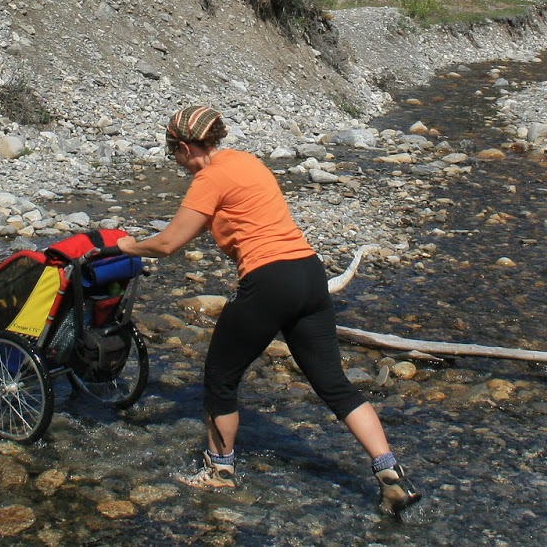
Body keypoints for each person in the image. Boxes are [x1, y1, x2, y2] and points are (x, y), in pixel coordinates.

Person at [116, 104, 422, 514]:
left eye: (174, 154)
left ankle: (218, 472)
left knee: (220, 379)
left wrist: (123, 246)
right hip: (310, 274)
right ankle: (391, 474)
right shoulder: (246, 162)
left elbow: (169, 243)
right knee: (334, 384)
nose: (177, 163)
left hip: (269, 280)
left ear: (187, 147)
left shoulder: (209, 177)